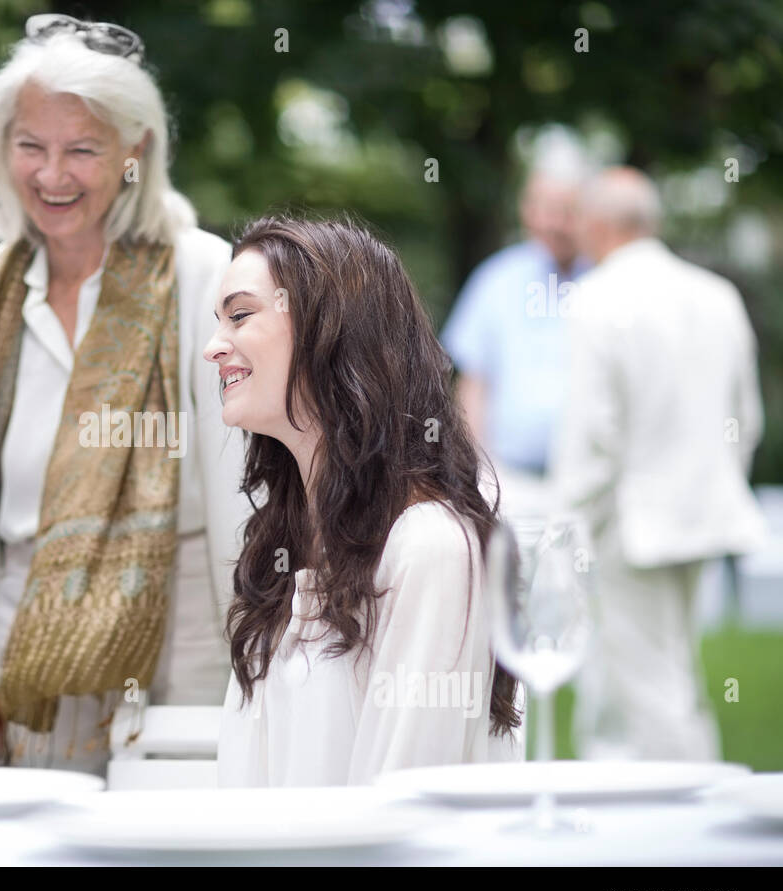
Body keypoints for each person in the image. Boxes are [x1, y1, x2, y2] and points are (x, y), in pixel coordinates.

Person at [0, 15, 250, 772]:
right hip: (33, 625)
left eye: (83, 150)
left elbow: (238, 489)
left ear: (134, 152)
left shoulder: (201, 273)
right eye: (31, 147)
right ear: (0, 150)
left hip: (183, 619)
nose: (53, 176)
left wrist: (254, 646)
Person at [206, 215, 524, 787]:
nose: (213, 347)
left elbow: (398, 816)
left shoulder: (428, 547)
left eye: (241, 316)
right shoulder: (285, 541)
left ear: (331, 327)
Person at [551, 167, 767, 761]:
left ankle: (695, 821)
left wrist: (568, 523)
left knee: (651, 686)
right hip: (703, 513)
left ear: (597, 226)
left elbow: (594, 434)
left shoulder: (597, 299)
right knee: (672, 667)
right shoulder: (715, 293)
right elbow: (745, 420)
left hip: (631, 520)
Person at [441, 168, 590, 519]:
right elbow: (474, 383)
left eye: (567, 211)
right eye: (544, 209)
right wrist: (480, 471)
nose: (554, 223)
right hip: (510, 483)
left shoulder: (609, 282)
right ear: (527, 211)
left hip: (587, 485)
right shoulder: (496, 279)